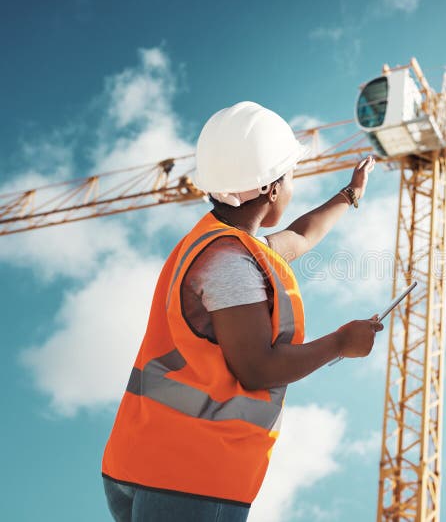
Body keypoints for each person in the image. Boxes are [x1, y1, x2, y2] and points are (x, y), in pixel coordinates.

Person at [102, 101, 383, 521]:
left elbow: (300, 237)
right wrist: (341, 342)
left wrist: (350, 194)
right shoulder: (229, 263)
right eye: (289, 177)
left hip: (140, 459)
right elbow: (256, 368)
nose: (291, 186)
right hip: (191, 476)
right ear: (271, 188)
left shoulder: (215, 241)